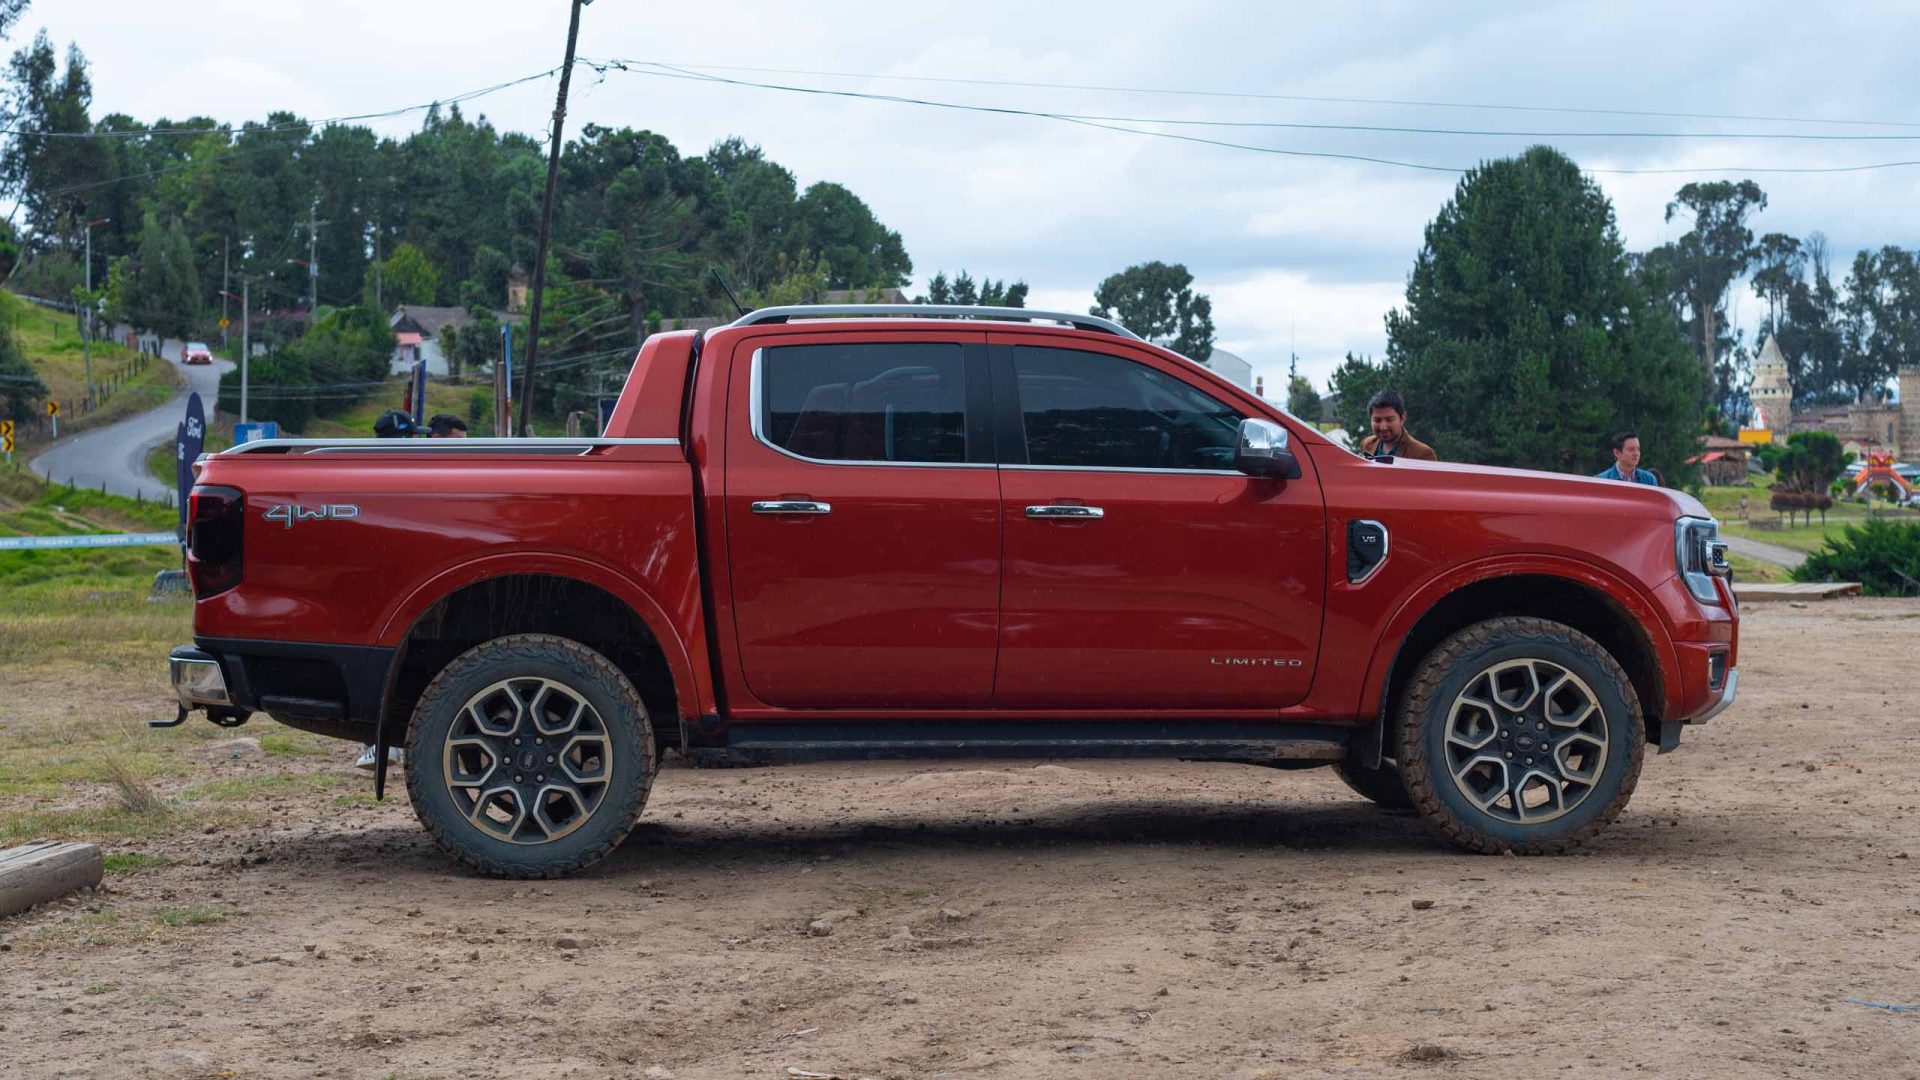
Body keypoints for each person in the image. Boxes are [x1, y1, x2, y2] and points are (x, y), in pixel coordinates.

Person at [355, 408, 419, 771]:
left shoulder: (365, 471)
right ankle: (384, 745)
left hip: (386, 584)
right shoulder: (410, 472)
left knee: (386, 665)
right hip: (396, 583)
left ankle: (382, 745)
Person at [1357, 389, 1437, 460]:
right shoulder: (1367, 444)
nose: (1383, 427)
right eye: (1377, 420)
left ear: (1402, 418)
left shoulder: (1422, 454)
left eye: (1389, 420)